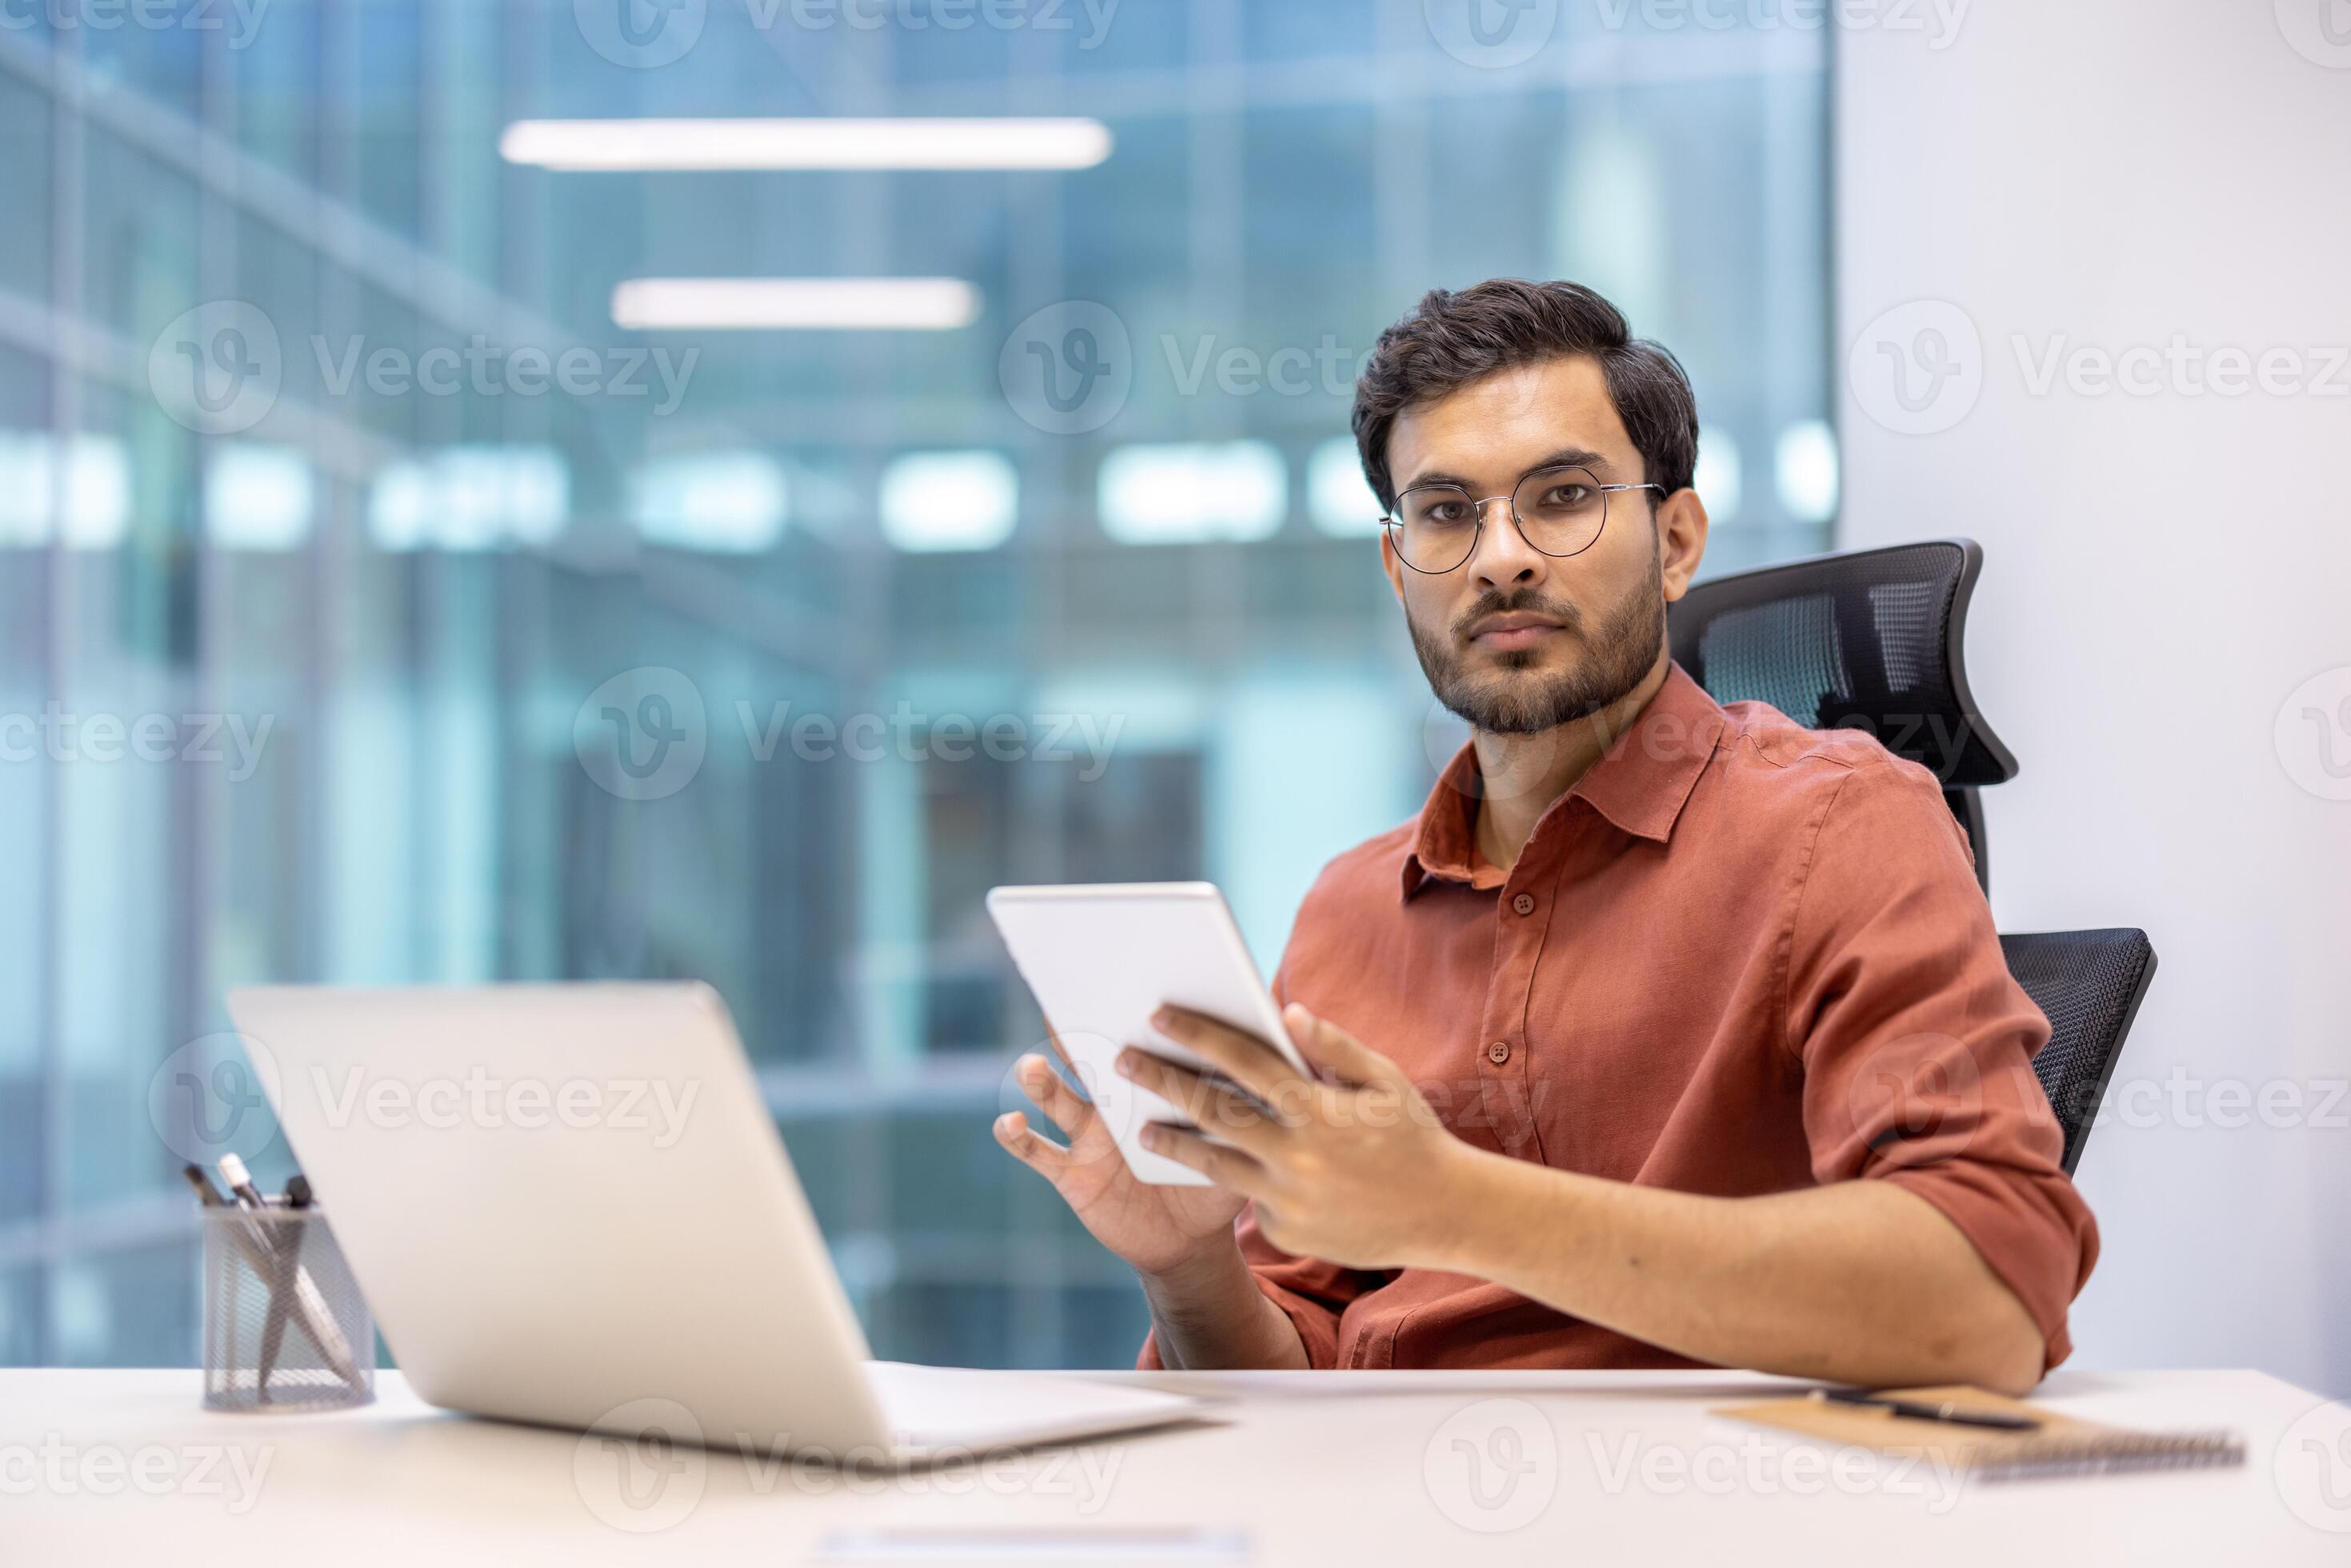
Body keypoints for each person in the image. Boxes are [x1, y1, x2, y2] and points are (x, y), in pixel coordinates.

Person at [994, 278, 2094, 1393]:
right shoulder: (1350, 906)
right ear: (1398, 568)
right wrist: (1189, 1270)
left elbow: (1986, 1309)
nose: (1498, 557)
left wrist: (1458, 1208)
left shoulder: (1844, 825)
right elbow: (1296, 1375)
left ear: (1676, 541)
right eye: (1444, 512)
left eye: (1563, 497)